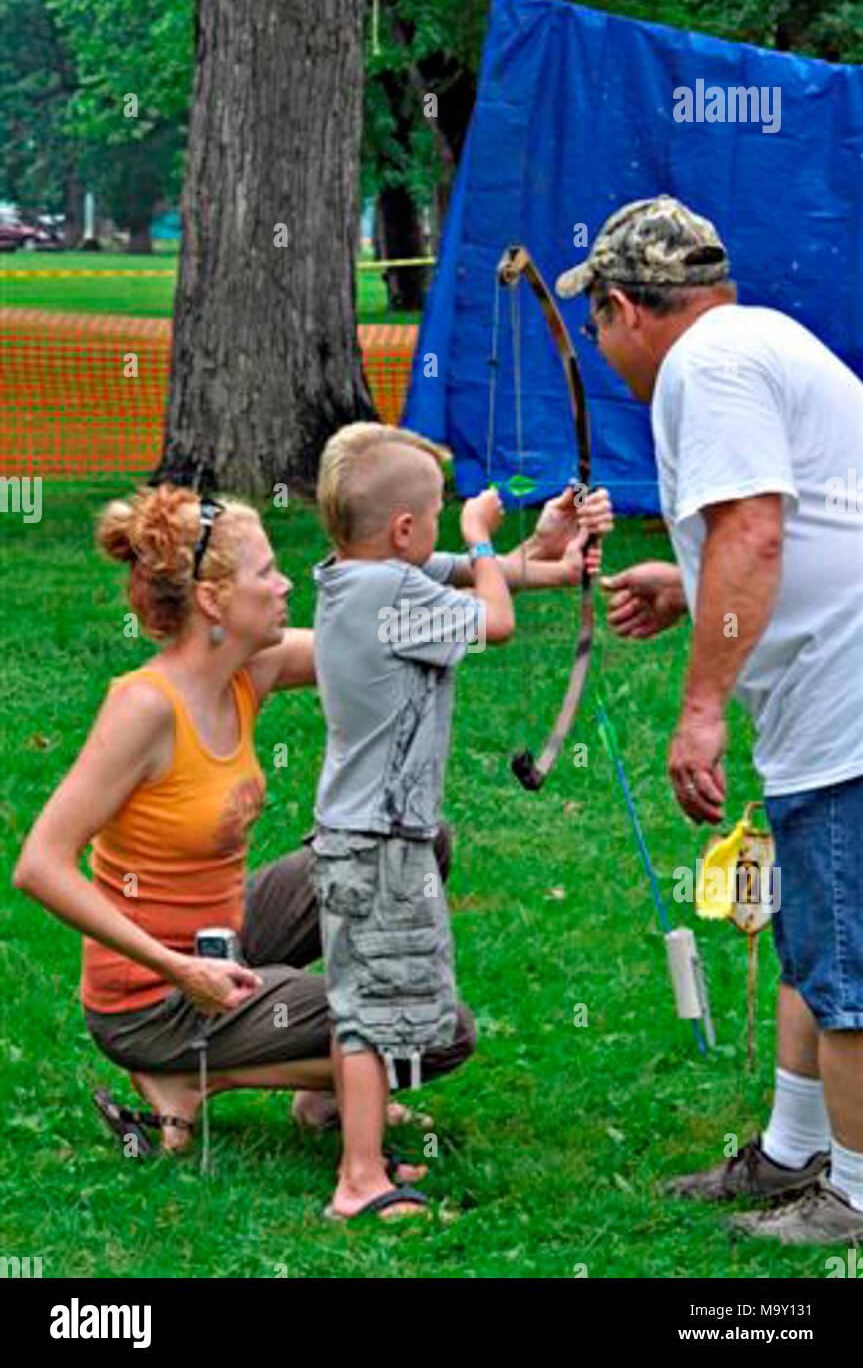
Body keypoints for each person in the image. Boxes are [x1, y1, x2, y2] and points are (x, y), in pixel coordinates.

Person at [13, 476, 608, 1161]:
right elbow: (40, 866)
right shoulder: (144, 708)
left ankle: (320, 1096)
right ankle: (188, 1070)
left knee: (417, 844)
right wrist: (178, 971)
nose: (286, 584)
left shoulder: (250, 667)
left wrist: (543, 556)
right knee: (436, 1035)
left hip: (222, 939)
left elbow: (413, 619)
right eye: (266, 572)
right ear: (213, 600)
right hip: (153, 1000)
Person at [555, 194, 863, 1244]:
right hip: (826, 693)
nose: (597, 346)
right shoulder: (751, 338)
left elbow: (755, 529)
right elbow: (810, 515)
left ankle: (853, 1197)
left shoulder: (706, 366)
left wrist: (699, 710)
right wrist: (689, 582)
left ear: (619, 306)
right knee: (808, 933)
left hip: (845, 697)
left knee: (845, 957)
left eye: (592, 322)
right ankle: (790, 1151)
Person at [310, 422, 612, 1220]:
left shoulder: (359, 574)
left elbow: (497, 581)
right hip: (378, 842)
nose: (450, 528)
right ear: (403, 530)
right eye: (440, 515)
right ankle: (359, 1181)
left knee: (370, 996)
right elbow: (495, 617)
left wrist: (550, 545)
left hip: (359, 837)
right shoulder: (391, 593)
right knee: (372, 1013)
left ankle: (344, 1126)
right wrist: (483, 538)